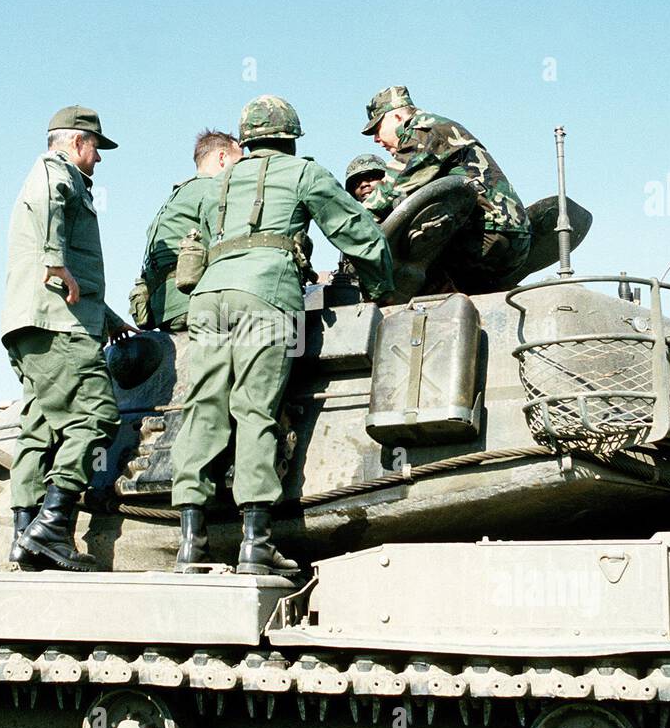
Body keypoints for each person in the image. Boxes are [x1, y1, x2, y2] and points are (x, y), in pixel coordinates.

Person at [170, 95, 395, 576]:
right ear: (291, 135)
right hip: (267, 295)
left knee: (204, 408)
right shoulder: (303, 173)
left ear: (246, 139)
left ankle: (191, 544)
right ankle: (255, 544)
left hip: (208, 299)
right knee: (255, 408)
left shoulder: (217, 182)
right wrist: (382, 287)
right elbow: (355, 231)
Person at [1, 105, 134, 573]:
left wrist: (110, 318)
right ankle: (52, 527)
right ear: (78, 142)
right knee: (97, 413)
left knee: (40, 427)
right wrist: (55, 259)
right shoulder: (56, 173)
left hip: (33, 322)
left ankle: (25, 538)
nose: (98, 159)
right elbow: (53, 202)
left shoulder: (43, 176)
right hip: (60, 324)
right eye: (96, 148)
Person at [360, 85, 531, 290]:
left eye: (377, 130)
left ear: (396, 117)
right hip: (511, 237)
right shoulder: (437, 127)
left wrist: (352, 226)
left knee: (404, 277)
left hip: (487, 234)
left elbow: (390, 190)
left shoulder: (422, 130)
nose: (377, 140)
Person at [136, 130, 242, 331]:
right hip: (193, 305)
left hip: (163, 309)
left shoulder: (177, 196)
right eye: (239, 163)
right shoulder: (215, 190)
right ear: (222, 158)